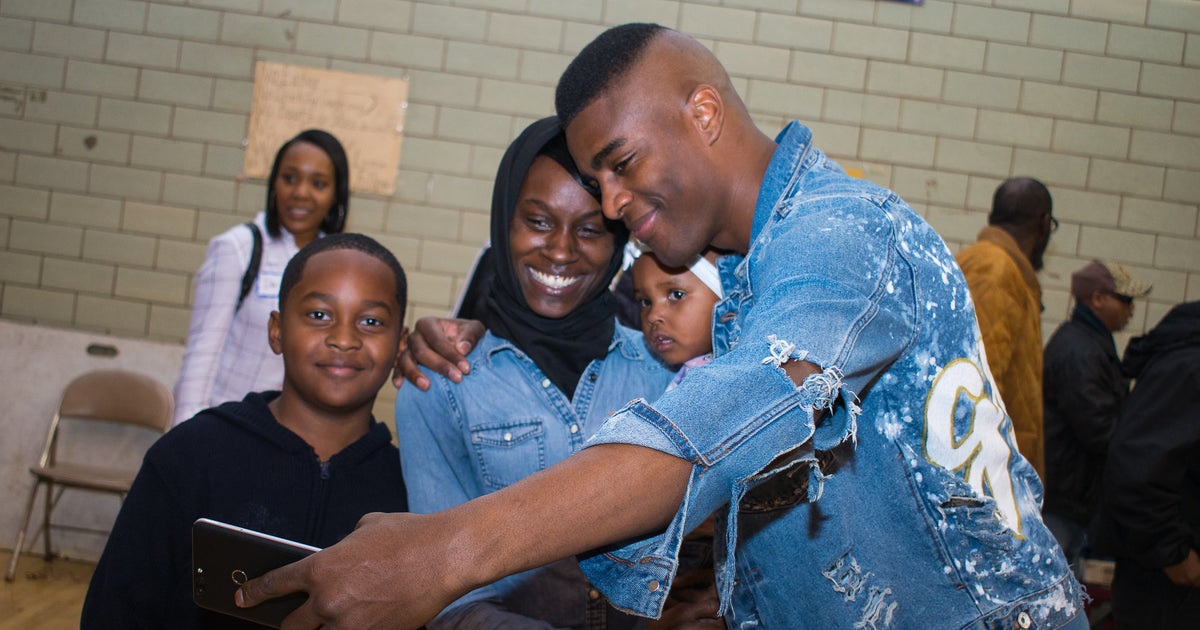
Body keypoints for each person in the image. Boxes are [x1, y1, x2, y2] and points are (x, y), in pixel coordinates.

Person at [237, 23, 1085, 629]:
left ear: (704, 115)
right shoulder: (753, 276)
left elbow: (714, 429)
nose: (608, 205)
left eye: (621, 164)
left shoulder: (839, 233)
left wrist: (445, 552)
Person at [394, 117, 674, 629]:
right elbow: (444, 596)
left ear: (617, 243)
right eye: (539, 221)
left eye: (589, 230)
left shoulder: (666, 371)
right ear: (504, 223)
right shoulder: (441, 384)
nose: (561, 250)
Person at [82, 233, 408, 629]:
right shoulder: (189, 455)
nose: (343, 339)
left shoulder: (408, 488)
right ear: (276, 330)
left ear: (400, 347)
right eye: (319, 315)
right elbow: (115, 610)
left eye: (371, 321)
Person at [172, 129, 350, 425]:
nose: (301, 192)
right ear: (274, 184)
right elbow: (201, 356)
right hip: (229, 425)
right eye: (289, 178)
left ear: (335, 195)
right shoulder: (239, 248)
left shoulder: (338, 264)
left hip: (297, 434)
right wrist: (187, 440)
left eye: (318, 183)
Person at [1090, 300, 1200, 627]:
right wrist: (1172, 553)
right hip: (1169, 583)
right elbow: (1136, 468)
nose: (1130, 309)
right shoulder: (1190, 365)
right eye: (1124, 300)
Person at [1042, 259, 1151, 576]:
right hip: (1065, 500)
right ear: (1098, 298)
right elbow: (1099, 429)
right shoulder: (1081, 351)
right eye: (1126, 300)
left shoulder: (1090, 344)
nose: (1131, 309)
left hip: (1072, 496)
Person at [955, 177, 1055, 478]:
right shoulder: (995, 270)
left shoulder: (999, 267)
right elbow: (977, 385)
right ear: (1045, 224)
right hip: (989, 472)